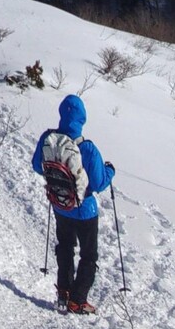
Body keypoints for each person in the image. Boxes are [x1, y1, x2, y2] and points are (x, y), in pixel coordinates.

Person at [32, 94, 114, 314]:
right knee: (88, 255)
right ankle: (78, 300)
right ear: (83, 118)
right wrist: (110, 170)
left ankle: (63, 292)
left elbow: (38, 167)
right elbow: (98, 183)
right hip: (85, 210)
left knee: (65, 247)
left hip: (60, 205)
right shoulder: (87, 148)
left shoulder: (47, 138)